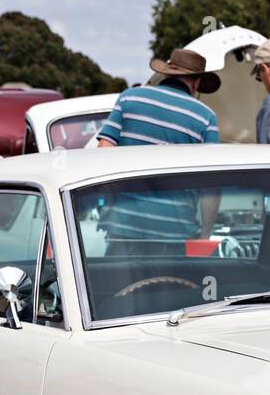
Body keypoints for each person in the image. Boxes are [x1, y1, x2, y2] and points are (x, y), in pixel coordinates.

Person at [95, 48, 222, 248]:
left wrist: (112, 205)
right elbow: (212, 185)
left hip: (123, 228)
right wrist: (205, 236)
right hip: (175, 234)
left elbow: (104, 150)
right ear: (196, 83)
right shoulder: (205, 117)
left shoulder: (129, 98)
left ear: (166, 73)